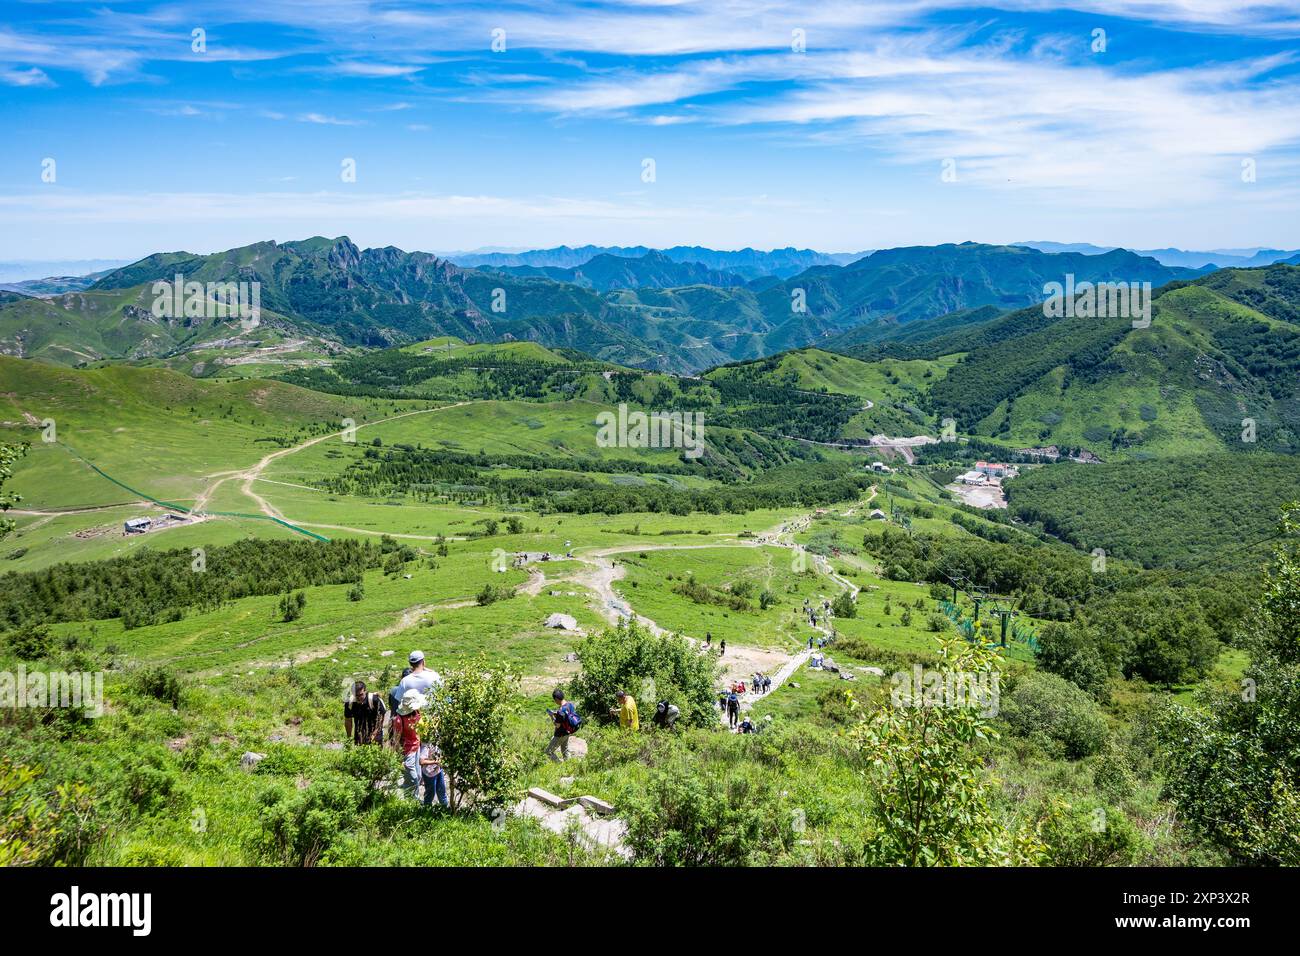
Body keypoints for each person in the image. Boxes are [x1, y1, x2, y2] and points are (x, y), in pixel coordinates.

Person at [391, 689, 426, 800]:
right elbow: (396, 739)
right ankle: (412, 800)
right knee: (413, 778)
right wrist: (398, 756)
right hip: (407, 751)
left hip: (417, 747)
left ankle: (411, 799)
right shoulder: (399, 719)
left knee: (419, 776)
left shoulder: (417, 712)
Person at [343, 680, 386, 746]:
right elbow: (348, 721)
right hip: (359, 733)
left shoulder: (374, 700)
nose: (359, 698)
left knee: (376, 753)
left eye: (361, 695)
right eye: (356, 695)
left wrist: (375, 733)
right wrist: (349, 738)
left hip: (376, 730)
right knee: (360, 754)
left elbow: (381, 717)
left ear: (365, 691)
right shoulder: (349, 703)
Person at [546, 687, 580, 761]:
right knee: (565, 750)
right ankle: (569, 764)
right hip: (568, 731)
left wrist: (552, 716)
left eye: (555, 700)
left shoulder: (561, 711)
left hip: (560, 734)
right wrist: (556, 714)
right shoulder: (570, 704)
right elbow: (567, 716)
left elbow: (557, 725)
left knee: (548, 752)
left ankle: (558, 764)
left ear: (556, 699)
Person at [419, 738, 449, 809]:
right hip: (429, 774)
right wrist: (435, 762)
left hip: (438, 770)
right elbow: (421, 761)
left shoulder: (437, 741)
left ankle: (445, 810)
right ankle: (427, 811)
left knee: (442, 792)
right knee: (430, 794)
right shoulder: (425, 745)